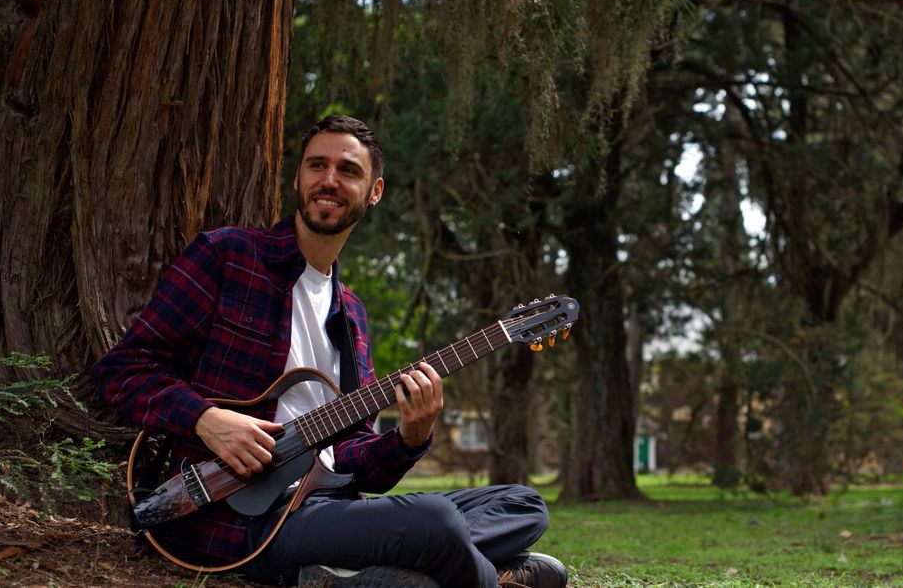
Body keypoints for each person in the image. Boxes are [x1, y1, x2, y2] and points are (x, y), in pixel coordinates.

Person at [92, 115, 567, 588]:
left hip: (328, 504)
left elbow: (353, 456)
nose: (330, 180)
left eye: (349, 170)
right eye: (317, 165)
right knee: (436, 520)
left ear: (374, 190)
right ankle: (476, 577)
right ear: (297, 177)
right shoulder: (228, 256)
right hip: (242, 519)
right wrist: (205, 420)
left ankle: (369, 572)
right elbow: (123, 371)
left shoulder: (352, 315)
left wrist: (408, 438)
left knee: (523, 505)